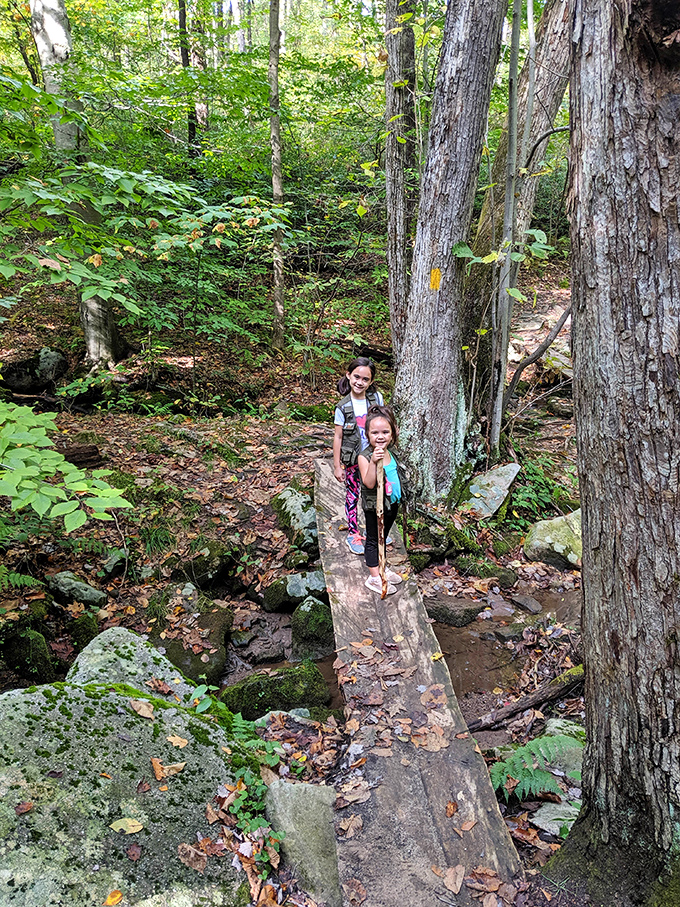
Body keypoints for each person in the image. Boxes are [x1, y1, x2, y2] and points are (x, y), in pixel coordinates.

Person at [333, 357, 384, 555]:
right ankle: (353, 532)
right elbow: (338, 437)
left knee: (374, 492)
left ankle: (376, 530)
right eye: (356, 377)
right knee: (353, 495)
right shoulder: (343, 406)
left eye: (365, 379)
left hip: (374, 456)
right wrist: (337, 466)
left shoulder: (376, 399)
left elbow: (384, 422)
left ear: (370, 381)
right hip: (353, 460)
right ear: (348, 375)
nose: (359, 382)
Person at [357, 405, 405, 596]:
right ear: (367, 434)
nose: (380, 436)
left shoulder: (390, 453)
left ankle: (382, 566)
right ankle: (374, 577)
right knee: (373, 538)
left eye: (385, 432)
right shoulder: (365, 456)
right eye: (375, 432)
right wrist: (373, 462)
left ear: (392, 433)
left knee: (383, 537)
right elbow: (368, 483)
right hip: (374, 506)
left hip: (391, 504)